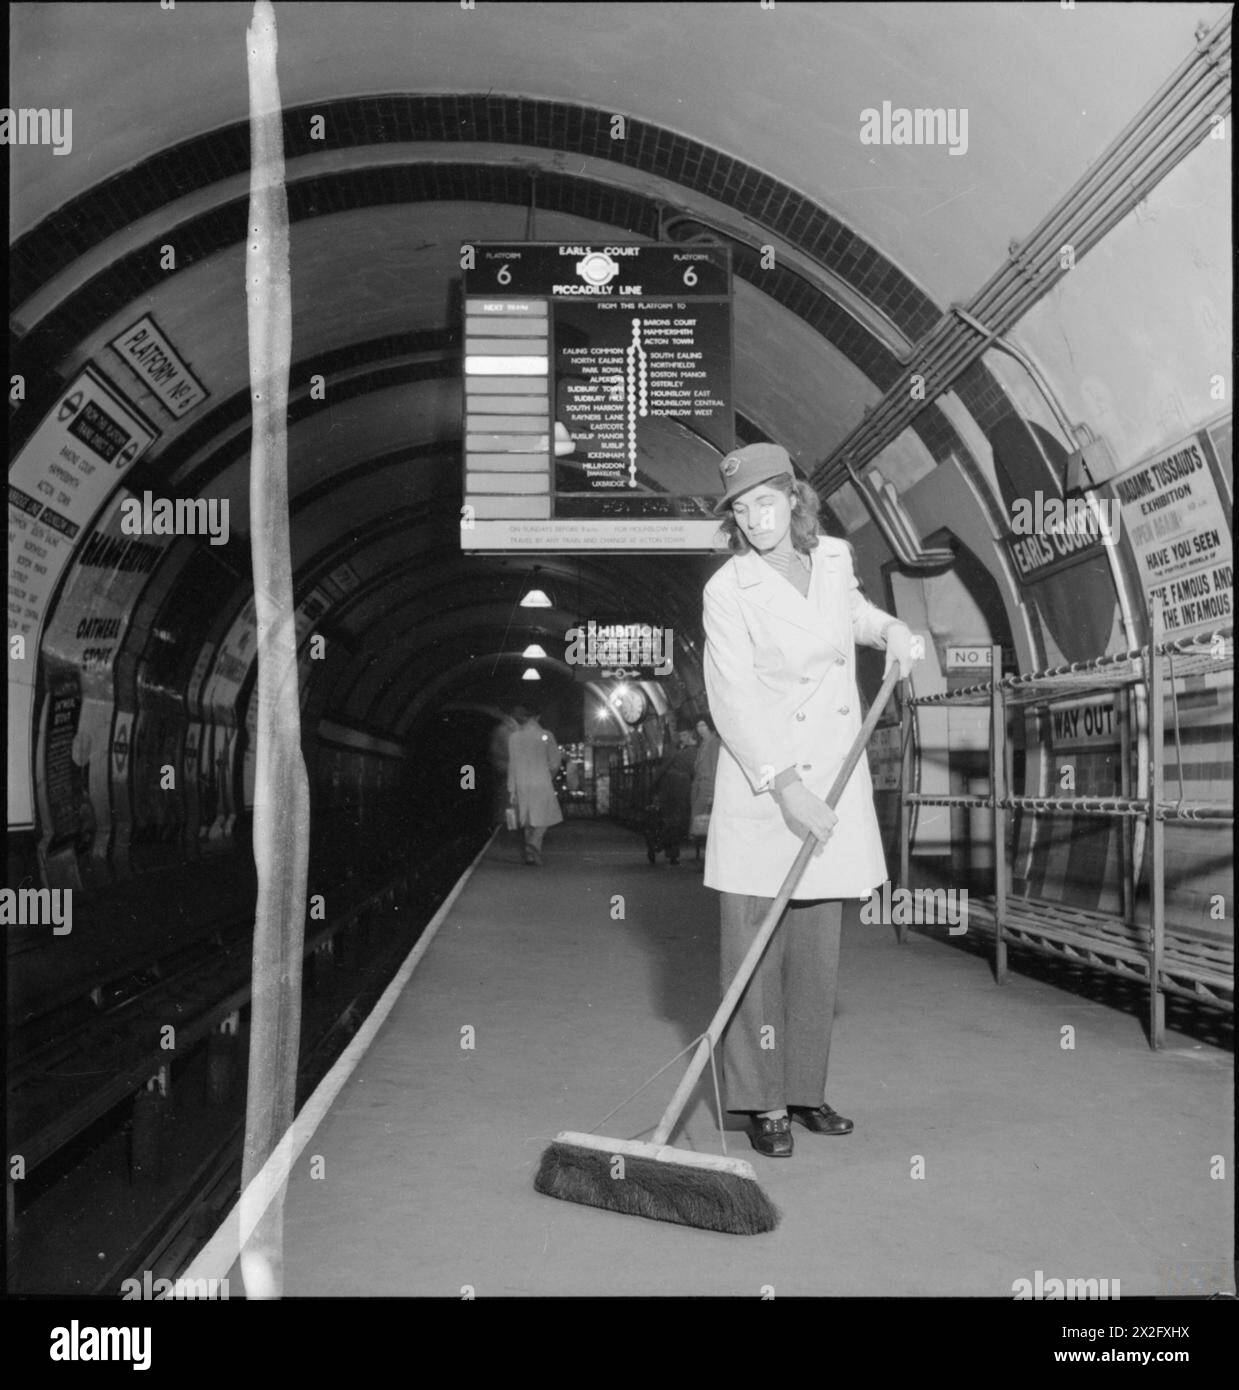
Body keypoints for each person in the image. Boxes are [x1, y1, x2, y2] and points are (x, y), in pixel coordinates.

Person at [702, 442, 918, 1158]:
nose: (755, 519)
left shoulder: (830, 558)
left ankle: (802, 1089)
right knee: (756, 956)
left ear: (793, 498)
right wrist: (786, 786)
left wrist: (889, 629)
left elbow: (850, 615)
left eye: (766, 502)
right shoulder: (727, 590)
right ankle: (760, 1104)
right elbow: (731, 698)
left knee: (817, 955)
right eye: (741, 509)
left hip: (832, 776)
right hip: (767, 786)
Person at [506, 704, 563, 865]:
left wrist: (511, 789)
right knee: (544, 817)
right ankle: (533, 844)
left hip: (521, 783)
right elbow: (554, 762)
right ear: (538, 717)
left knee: (527, 819)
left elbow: (512, 765)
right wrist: (549, 776)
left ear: (524, 717)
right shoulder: (546, 735)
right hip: (541, 781)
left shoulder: (514, 737)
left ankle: (530, 855)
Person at [647, 725, 696, 866]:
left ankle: (661, 846)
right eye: (681, 735)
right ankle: (671, 853)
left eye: (685, 735)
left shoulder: (684, 751)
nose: (682, 738)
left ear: (690, 735)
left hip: (678, 790)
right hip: (673, 790)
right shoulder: (679, 750)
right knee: (672, 821)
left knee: (674, 822)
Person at [689, 715, 720, 862]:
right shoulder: (703, 744)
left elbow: (715, 768)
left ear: (710, 726)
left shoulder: (715, 743)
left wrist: (712, 793)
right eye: (698, 726)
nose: (700, 729)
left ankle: (708, 855)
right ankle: (701, 854)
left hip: (708, 787)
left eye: (703, 725)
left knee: (705, 822)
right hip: (699, 787)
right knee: (700, 822)